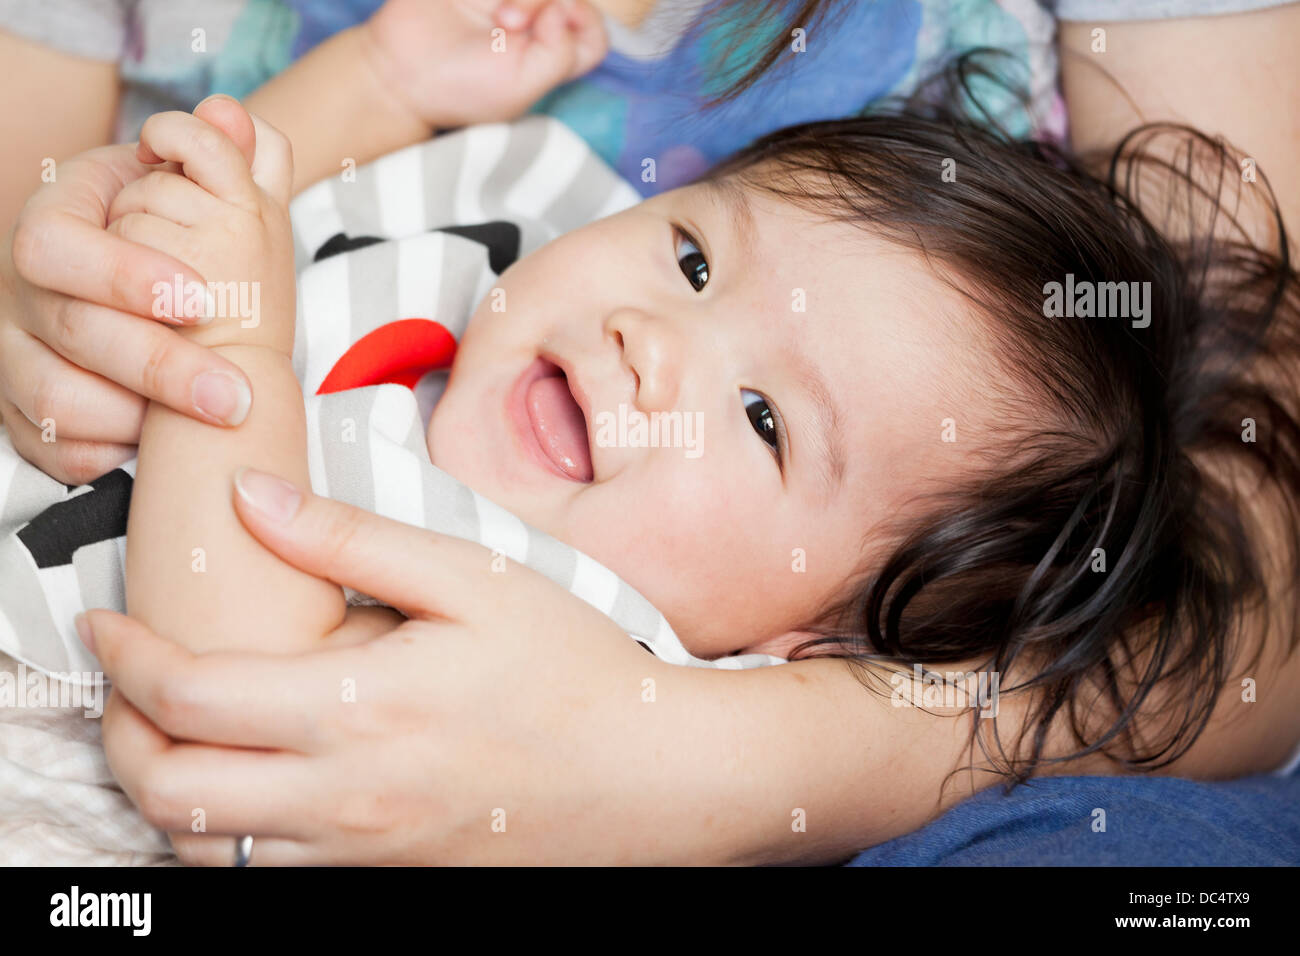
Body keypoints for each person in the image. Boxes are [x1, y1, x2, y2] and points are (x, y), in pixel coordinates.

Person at [4, 1, 1300, 866]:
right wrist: (377, 81)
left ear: (812, 642)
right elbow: (278, 190)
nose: (653, 338)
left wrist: (221, 356)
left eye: (762, 419)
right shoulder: (536, 226)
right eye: (690, 259)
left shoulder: (607, 634)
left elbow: (234, 717)